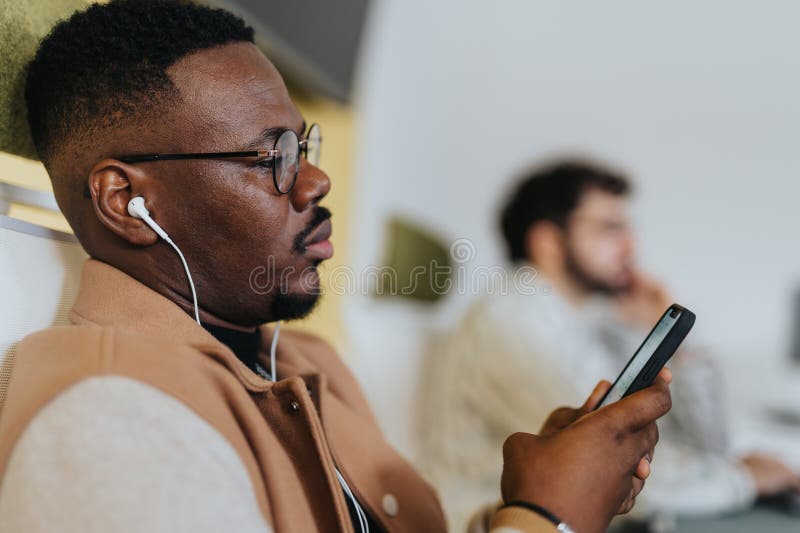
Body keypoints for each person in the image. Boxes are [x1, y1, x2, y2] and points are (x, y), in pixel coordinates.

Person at [0, 4, 673, 532]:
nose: (317, 179)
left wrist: (527, 500)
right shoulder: (106, 419)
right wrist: (551, 518)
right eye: (274, 155)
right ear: (126, 201)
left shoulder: (308, 361)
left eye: (307, 143)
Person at [420, 160, 800, 530]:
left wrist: (680, 349)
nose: (631, 244)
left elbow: (709, 446)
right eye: (609, 228)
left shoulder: (595, 322)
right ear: (547, 241)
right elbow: (599, 468)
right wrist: (741, 481)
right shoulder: (505, 323)